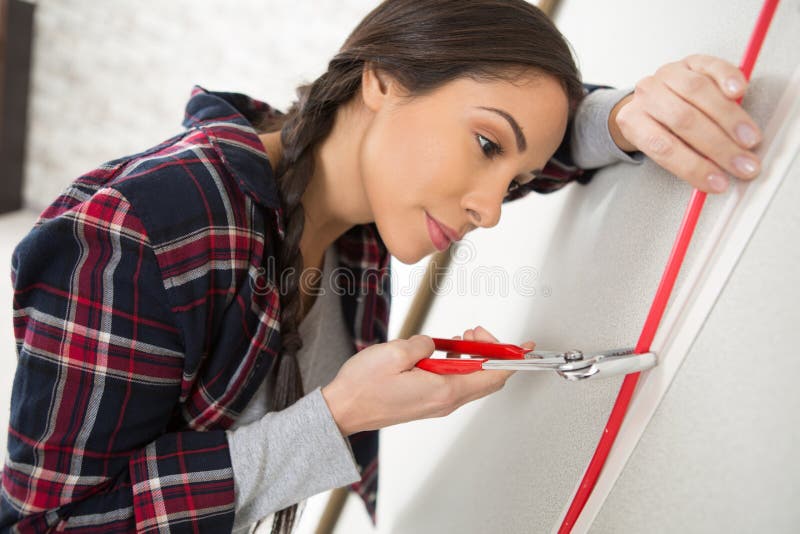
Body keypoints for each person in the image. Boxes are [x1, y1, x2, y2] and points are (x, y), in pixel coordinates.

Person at [0, 0, 763, 532]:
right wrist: (336, 419)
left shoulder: (353, 203)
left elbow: (543, 142)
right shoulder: (141, 231)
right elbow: (49, 525)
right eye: (488, 148)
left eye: (514, 178)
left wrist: (626, 119)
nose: (491, 209)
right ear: (383, 79)